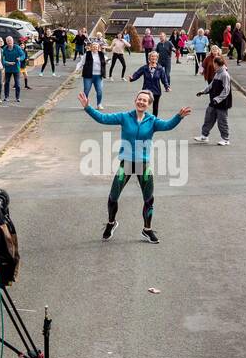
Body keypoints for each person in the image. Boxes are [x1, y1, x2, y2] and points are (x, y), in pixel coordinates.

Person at [79, 89, 190, 245]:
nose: (141, 102)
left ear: (149, 104)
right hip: (126, 164)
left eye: (145, 101)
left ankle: (147, 229)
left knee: (149, 199)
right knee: (113, 196)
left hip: (143, 165)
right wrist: (88, 108)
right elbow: (103, 118)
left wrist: (179, 117)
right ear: (135, 100)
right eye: (139, 99)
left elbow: (167, 125)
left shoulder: (152, 121)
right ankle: (111, 223)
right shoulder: (125, 117)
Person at [194, 54, 233, 146]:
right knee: (208, 118)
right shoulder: (217, 73)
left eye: (214, 64)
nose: (213, 65)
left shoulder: (224, 74)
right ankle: (204, 136)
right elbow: (211, 86)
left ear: (217, 64)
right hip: (214, 101)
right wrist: (203, 92)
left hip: (222, 102)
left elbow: (226, 90)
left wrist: (218, 99)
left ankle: (225, 139)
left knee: (222, 121)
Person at [129, 51, 171, 116]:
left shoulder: (160, 69)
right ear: (149, 58)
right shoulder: (145, 68)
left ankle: (154, 121)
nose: (153, 58)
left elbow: (164, 78)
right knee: (142, 105)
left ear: (157, 58)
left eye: (155, 56)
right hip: (146, 91)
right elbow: (137, 73)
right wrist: (132, 78)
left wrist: (167, 86)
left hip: (156, 91)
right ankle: (141, 117)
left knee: (155, 107)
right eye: (152, 56)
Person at [81, 38, 106, 108]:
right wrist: (77, 68)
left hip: (98, 76)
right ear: (91, 48)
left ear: (98, 48)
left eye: (96, 47)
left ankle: (99, 104)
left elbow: (106, 60)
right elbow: (82, 62)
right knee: (86, 91)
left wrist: (107, 62)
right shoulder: (87, 54)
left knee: (99, 91)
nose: (95, 48)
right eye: (93, 47)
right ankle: (85, 104)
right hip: (88, 76)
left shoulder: (101, 54)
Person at [2, 36, 26, 103]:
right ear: (6, 42)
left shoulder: (17, 47)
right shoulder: (5, 49)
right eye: (8, 41)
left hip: (16, 68)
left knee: (17, 83)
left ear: (12, 41)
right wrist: (7, 63)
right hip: (8, 68)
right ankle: (6, 97)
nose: (9, 42)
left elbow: (23, 55)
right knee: (6, 83)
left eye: (10, 40)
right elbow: (2, 59)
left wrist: (20, 58)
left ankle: (17, 97)